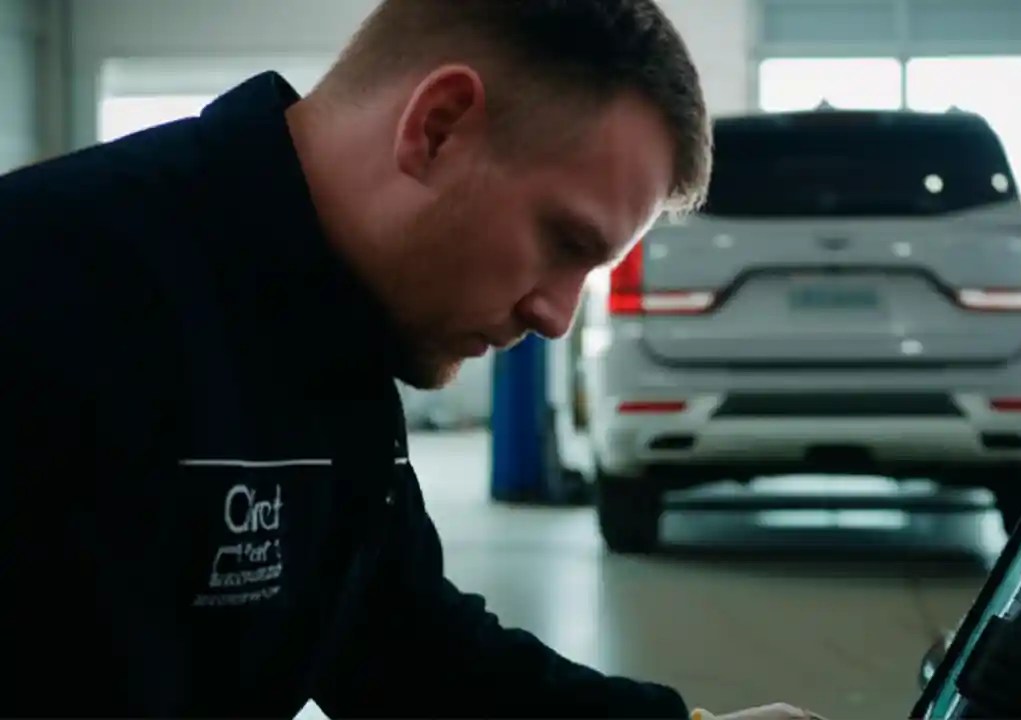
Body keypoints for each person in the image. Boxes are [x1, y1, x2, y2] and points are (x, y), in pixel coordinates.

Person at [0, 1, 822, 718]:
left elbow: (405, 650)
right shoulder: (46, 284)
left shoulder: (338, 327)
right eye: (563, 242)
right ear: (436, 128)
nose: (557, 316)